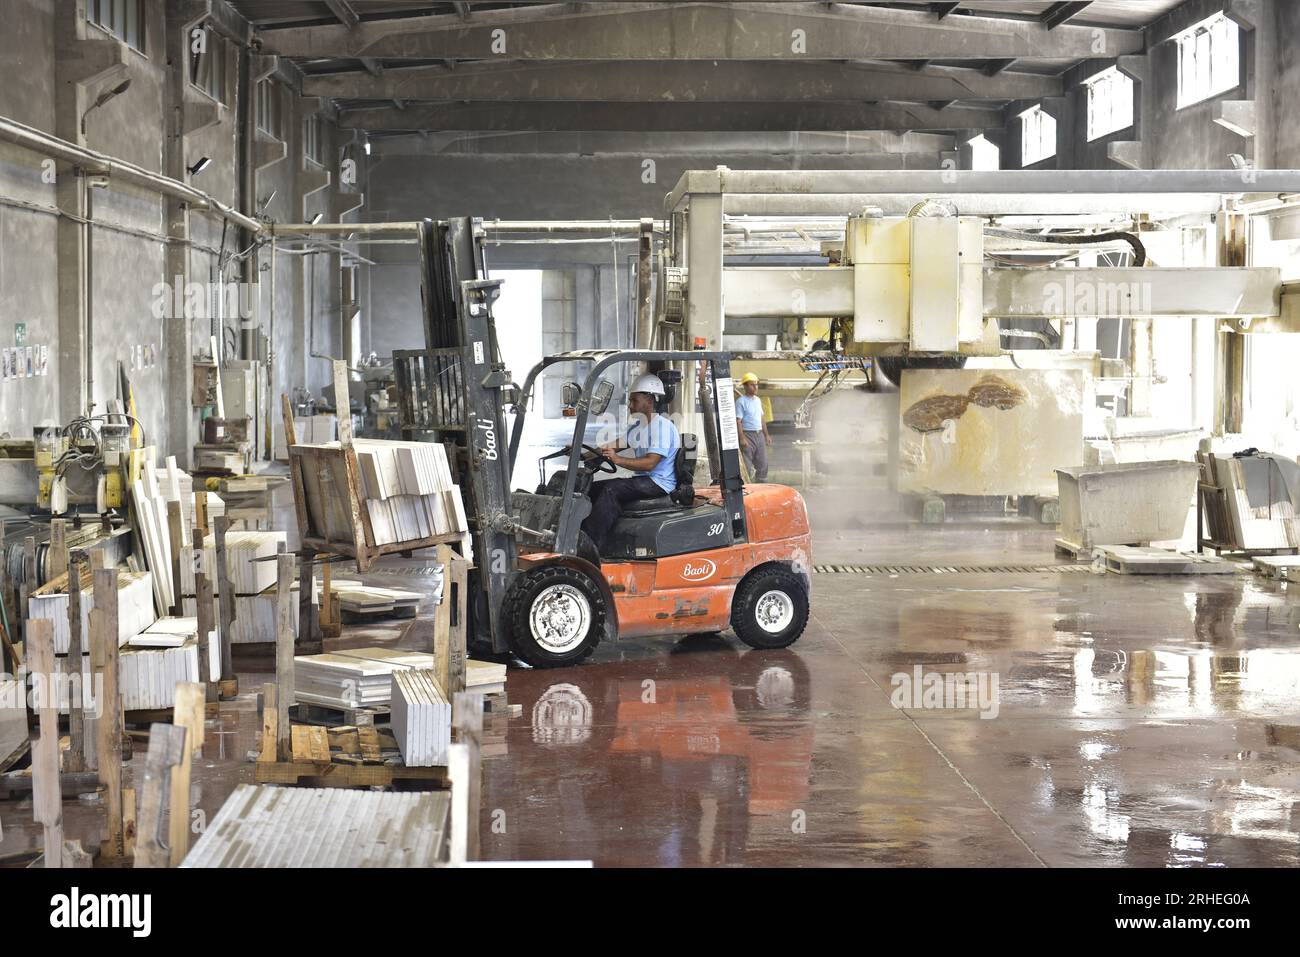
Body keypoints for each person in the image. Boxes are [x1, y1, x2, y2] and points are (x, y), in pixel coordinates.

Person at [579, 373, 681, 551]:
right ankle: (580, 535)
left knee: (611, 490)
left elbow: (650, 463)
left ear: (649, 400)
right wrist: (581, 453)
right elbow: (609, 447)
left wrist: (617, 459)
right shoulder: (639, 427)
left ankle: (589, 546)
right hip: (644, 480)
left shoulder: (662, 427)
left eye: (634, 400)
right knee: (591, 488)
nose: (630, 405)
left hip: (659, 482)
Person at [735, 372, 770, 483]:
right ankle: (747, 487)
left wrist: (766, 435)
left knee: (763, 463)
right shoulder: (741, 402)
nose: (755, 387)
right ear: (745, 386)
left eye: (756, 384)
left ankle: (761, 485)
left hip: (759, 434)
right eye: (752, 385)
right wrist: (742, 438)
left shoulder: (758, 400)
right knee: (747, 465)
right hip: (747, 434)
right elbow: (738, 421)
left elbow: (761, 418)